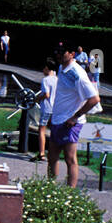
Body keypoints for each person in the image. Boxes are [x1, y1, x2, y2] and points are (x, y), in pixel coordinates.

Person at [48, 45, 100, 188]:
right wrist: (53, 116)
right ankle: (50, 189)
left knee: (70, 159)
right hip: (58, 120)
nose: (58, 54)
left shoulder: (78, 74)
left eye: (62, 52)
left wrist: (75, 117)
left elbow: (94, 99)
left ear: (71, 54)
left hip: (69, 123)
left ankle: (70, 193)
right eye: (56, 52)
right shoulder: (61, 68)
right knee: (52, 157)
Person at [31, 57, 57, 162]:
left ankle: (41, 153)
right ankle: (53, 152)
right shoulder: (57, 79)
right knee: (53, 131)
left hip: (46, 108)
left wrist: (36, 99)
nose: (42, 70)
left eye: (43, 68)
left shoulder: (45, 80)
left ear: (47, 68)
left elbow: (46, 94)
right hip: (55, 108)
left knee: (42, 129)